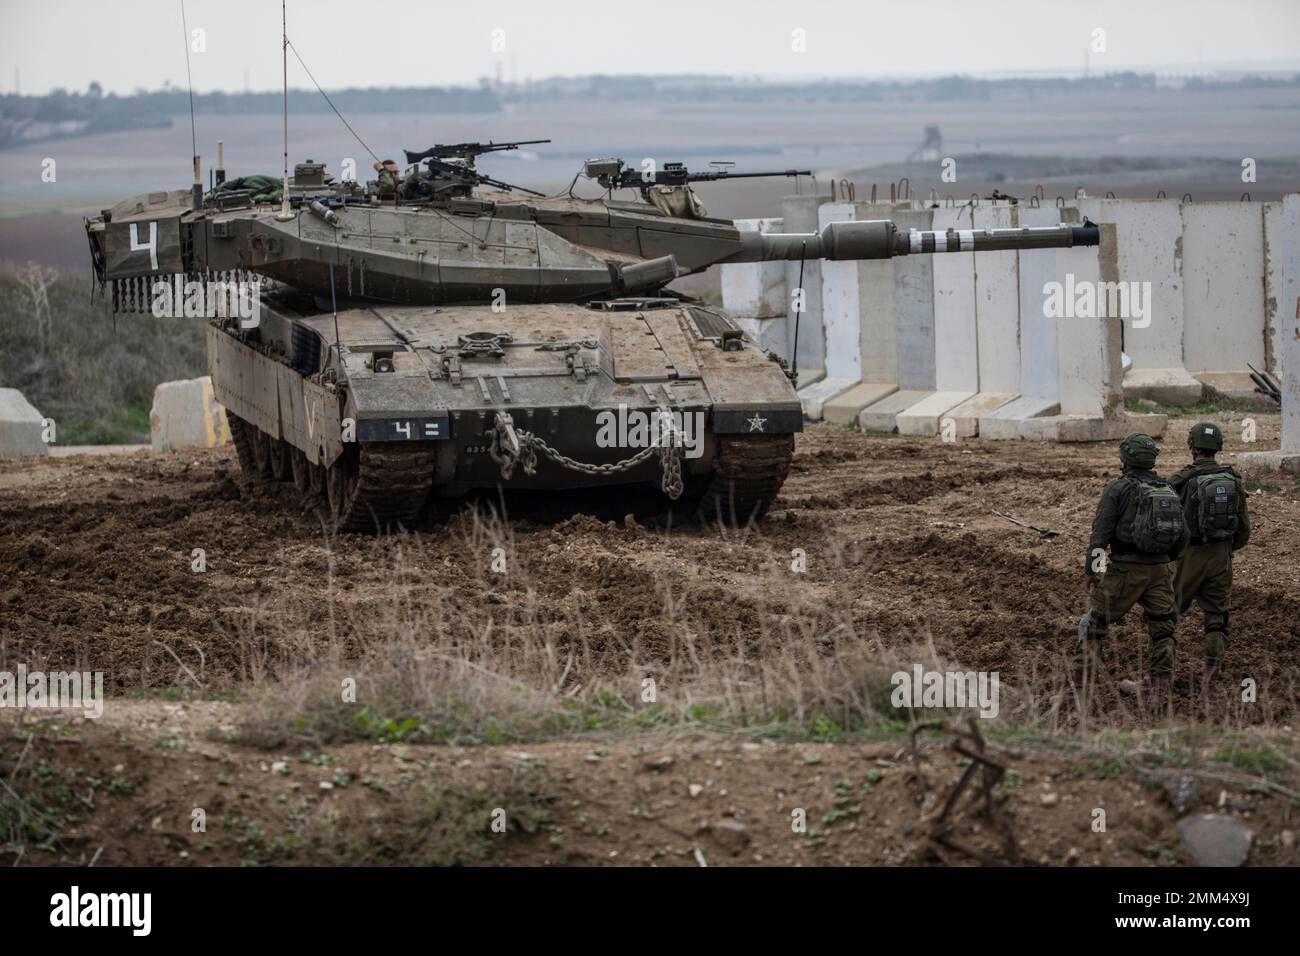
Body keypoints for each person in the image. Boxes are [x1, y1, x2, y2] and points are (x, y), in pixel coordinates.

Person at [1077, 433, 1188, 707]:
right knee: (1162, 628)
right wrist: (1166, 559)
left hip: (1125, 570)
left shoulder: (1118, 488)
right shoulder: (1168, 488)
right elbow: (1183, 535)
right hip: (1160, 571)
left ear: (1124, 459)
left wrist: (1092, 569)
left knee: (1092, 625)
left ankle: (1079, 691)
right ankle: (1158, 689)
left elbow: (1100, 533)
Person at [1167, 422, 1250, 691]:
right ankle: (1211, 676)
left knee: (1166, 613)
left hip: (1189, 554)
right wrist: (1225, 548)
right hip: (1222, 554)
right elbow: (1244, 529)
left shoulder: (1181, 479)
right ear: (1218, 447)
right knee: (1217, 616)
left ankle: (1156, 678)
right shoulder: (1232, 478)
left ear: (1192, 447)